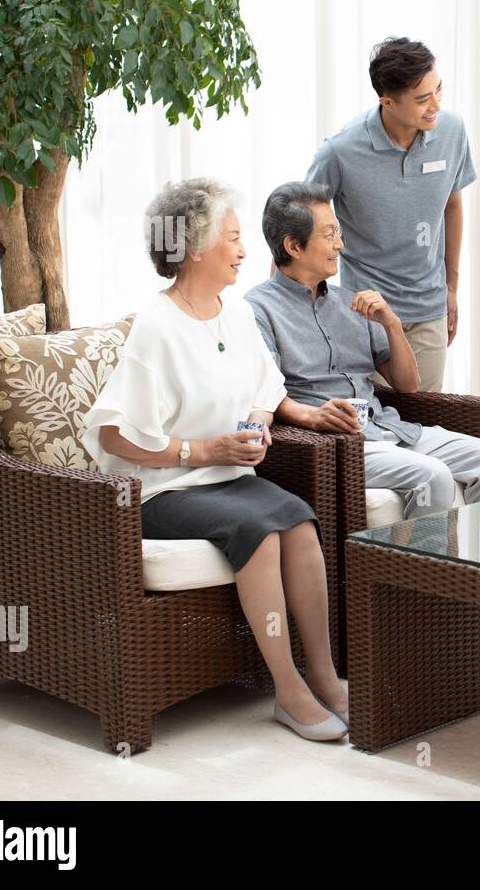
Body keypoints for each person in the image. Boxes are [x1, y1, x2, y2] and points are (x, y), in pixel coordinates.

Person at [81, 179, 348, 742]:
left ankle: (323, 674)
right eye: (232, 238)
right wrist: (199, 451)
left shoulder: (234, 314)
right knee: (261, 530)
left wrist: (255, 428)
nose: (244, 250)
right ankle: (287, 690)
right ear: (195, 248)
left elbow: (264, 385)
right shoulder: (156, 326)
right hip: (161, 490)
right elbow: (112, 434)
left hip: (228, 477)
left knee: (298, 520)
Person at [245, 182, 480, 522]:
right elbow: (261, 392)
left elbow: (408, 385)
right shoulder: (258, 310)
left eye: (338, 232)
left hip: (391, 429)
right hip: (334, 446)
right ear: (293, 246)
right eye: (328, 235)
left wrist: (391, 322)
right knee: (432, 475)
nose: (340, 245)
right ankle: (418, 576)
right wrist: (309, 416)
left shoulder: (351, 302)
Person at [305, 37, 475, 392]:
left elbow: (452, 205)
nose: (436, 106)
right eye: (422, 99)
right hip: (365, 312)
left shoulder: (452, 131)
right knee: (375, 425)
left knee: (426, 420)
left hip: (430, 305)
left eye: (438, 90)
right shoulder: (340, 151)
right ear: (387, 102)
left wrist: (452, 288)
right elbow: (302, 223)